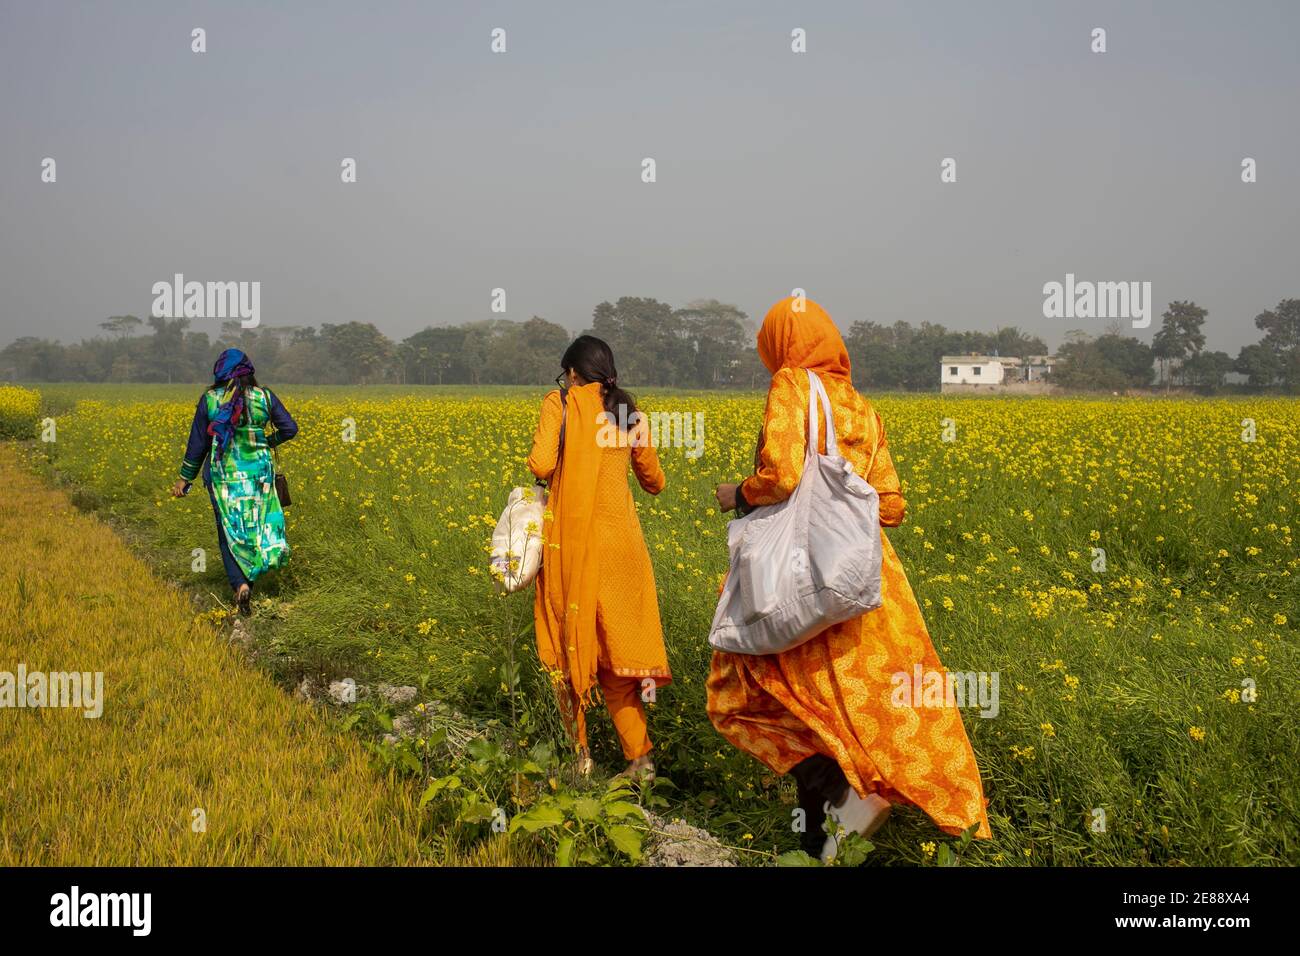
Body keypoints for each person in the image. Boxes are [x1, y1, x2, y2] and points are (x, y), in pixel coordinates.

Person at [707, 296, 991, 861]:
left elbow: (783, 475)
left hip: (799, 574)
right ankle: (826, 837)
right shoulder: (861, 406)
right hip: (866, 578)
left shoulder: (792, 384)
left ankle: (840, 794)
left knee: (735, 691)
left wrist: (737, 493)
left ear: (782, 343)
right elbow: (891, 505)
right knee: (864, 705)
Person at [528, 335, 669, 779]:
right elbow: (655, 480)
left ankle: (579, 758)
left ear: (572, 373)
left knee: (571, 649)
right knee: (615, 662)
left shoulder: (562, 403)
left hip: (576, 548)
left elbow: (540, 465)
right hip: (623, 549)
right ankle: (639, 760)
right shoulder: (627, 411)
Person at [172, 348, 298, 615]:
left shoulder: (210, 400)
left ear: (219, 372)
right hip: (259, 475)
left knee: (229, 530)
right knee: (257, 525)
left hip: (223, 476)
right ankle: (249, 581)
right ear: (248, 371)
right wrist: (265, 441)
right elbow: (290, 428)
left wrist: (185, 478)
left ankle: (240, 585)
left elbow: (199, 443)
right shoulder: (264, 397)